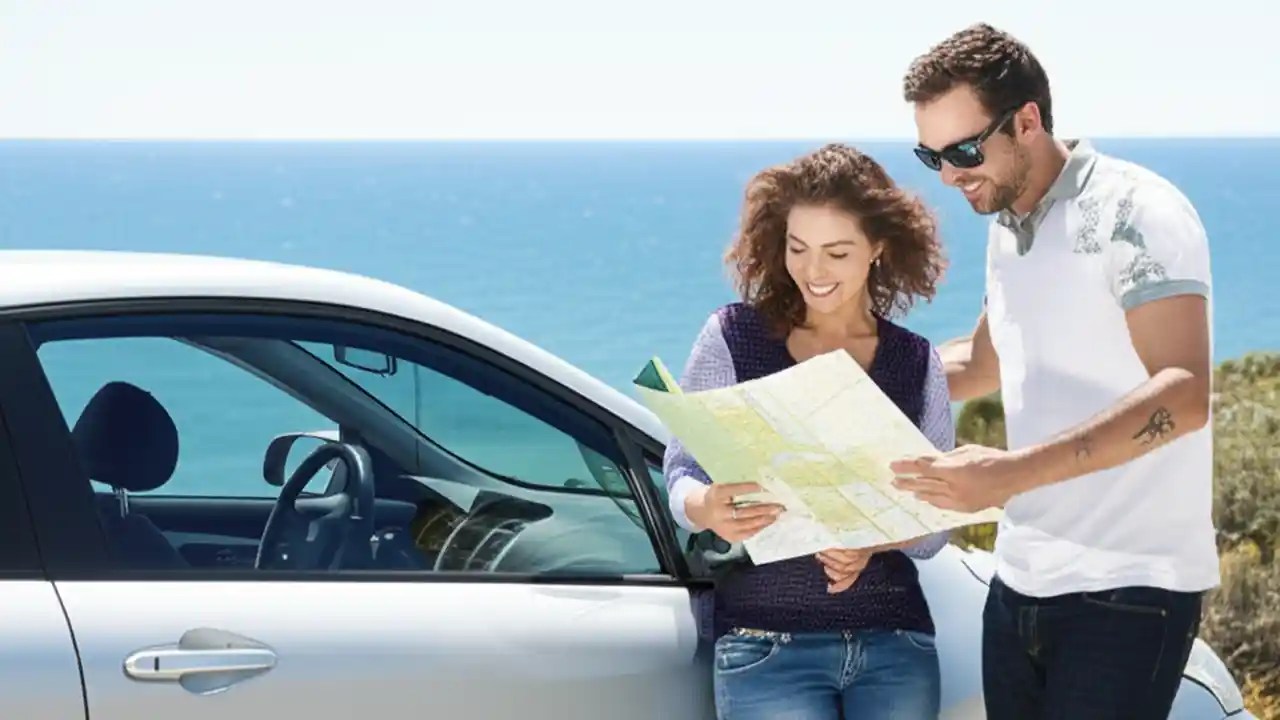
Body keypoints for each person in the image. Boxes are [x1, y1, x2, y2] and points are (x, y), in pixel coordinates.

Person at [891, 23, 1219, 720]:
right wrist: (846, 378)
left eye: (964, 150)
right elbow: (982, 364)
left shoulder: (1137, 212)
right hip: (1019, 583)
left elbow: (1186, 396)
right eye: (931, 156)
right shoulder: (1008, 227)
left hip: (1132, 591)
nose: (949, 175)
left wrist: (1007, 474)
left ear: (1029, 121)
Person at [664, 142, 953, 720]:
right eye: (798, 248)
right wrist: (704, 507)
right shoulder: (733, 338)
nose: (813, 272)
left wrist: (874, 540)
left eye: (837, 252)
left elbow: (935, 526)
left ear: (879, 249)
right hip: (765, 647)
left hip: (895, 646)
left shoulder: (915, 363)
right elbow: (682, 468)